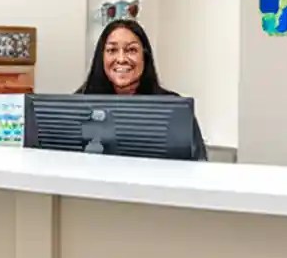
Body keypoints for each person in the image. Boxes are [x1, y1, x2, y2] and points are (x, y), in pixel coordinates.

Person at [78, 19, 207, 160]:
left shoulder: (175, 110)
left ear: (144, 57)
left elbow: (199, 166)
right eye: (112, 50)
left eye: (131, 50)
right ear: (101, 57)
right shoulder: (80, 106)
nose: (121, 59)